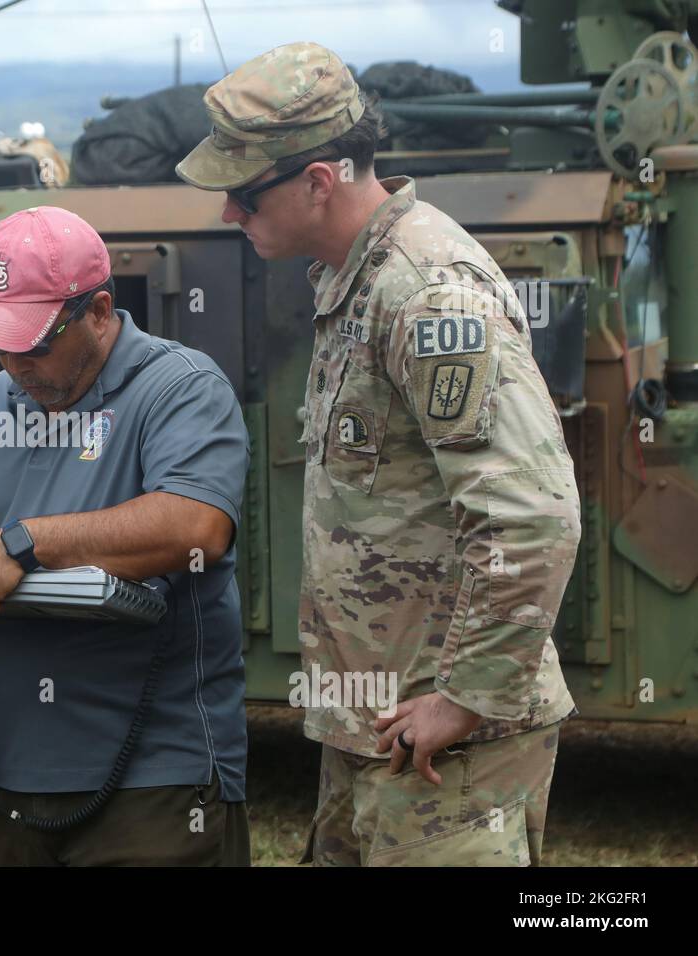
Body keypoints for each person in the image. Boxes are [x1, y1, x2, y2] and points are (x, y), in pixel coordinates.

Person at [177, 42, 581, 866]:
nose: (228, 215)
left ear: (318, 181)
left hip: (445, 748)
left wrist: (464, 699)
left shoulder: (425, 292)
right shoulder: (350, 277)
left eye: (243, 195)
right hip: (377, 720)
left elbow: (532, 515)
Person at [0, 205, 251, 866]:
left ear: (97, 311)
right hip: (14, 773)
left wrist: (21, 542)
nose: (14, 362)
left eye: (35, 342)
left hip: (156, 780)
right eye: (0, 342)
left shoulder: (180, 389)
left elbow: (195, 524)